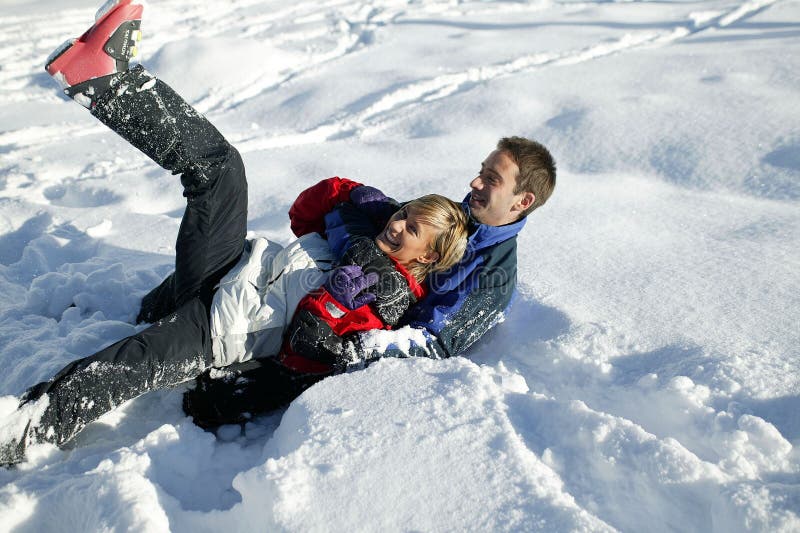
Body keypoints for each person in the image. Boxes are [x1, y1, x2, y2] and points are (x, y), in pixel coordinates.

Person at [0, 0, 472, 464]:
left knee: (128, 362)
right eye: (402, 213)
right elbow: (308, 209)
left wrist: (330, 307)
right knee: (223, 171)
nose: (396, 225)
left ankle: (19, 430)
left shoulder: (386, 300)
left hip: (222, 325)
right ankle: (106, 78)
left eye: (411, 229)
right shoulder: (363, 238)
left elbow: (308, 355)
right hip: (228, 268)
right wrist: (364, 200)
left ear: (428, 257)